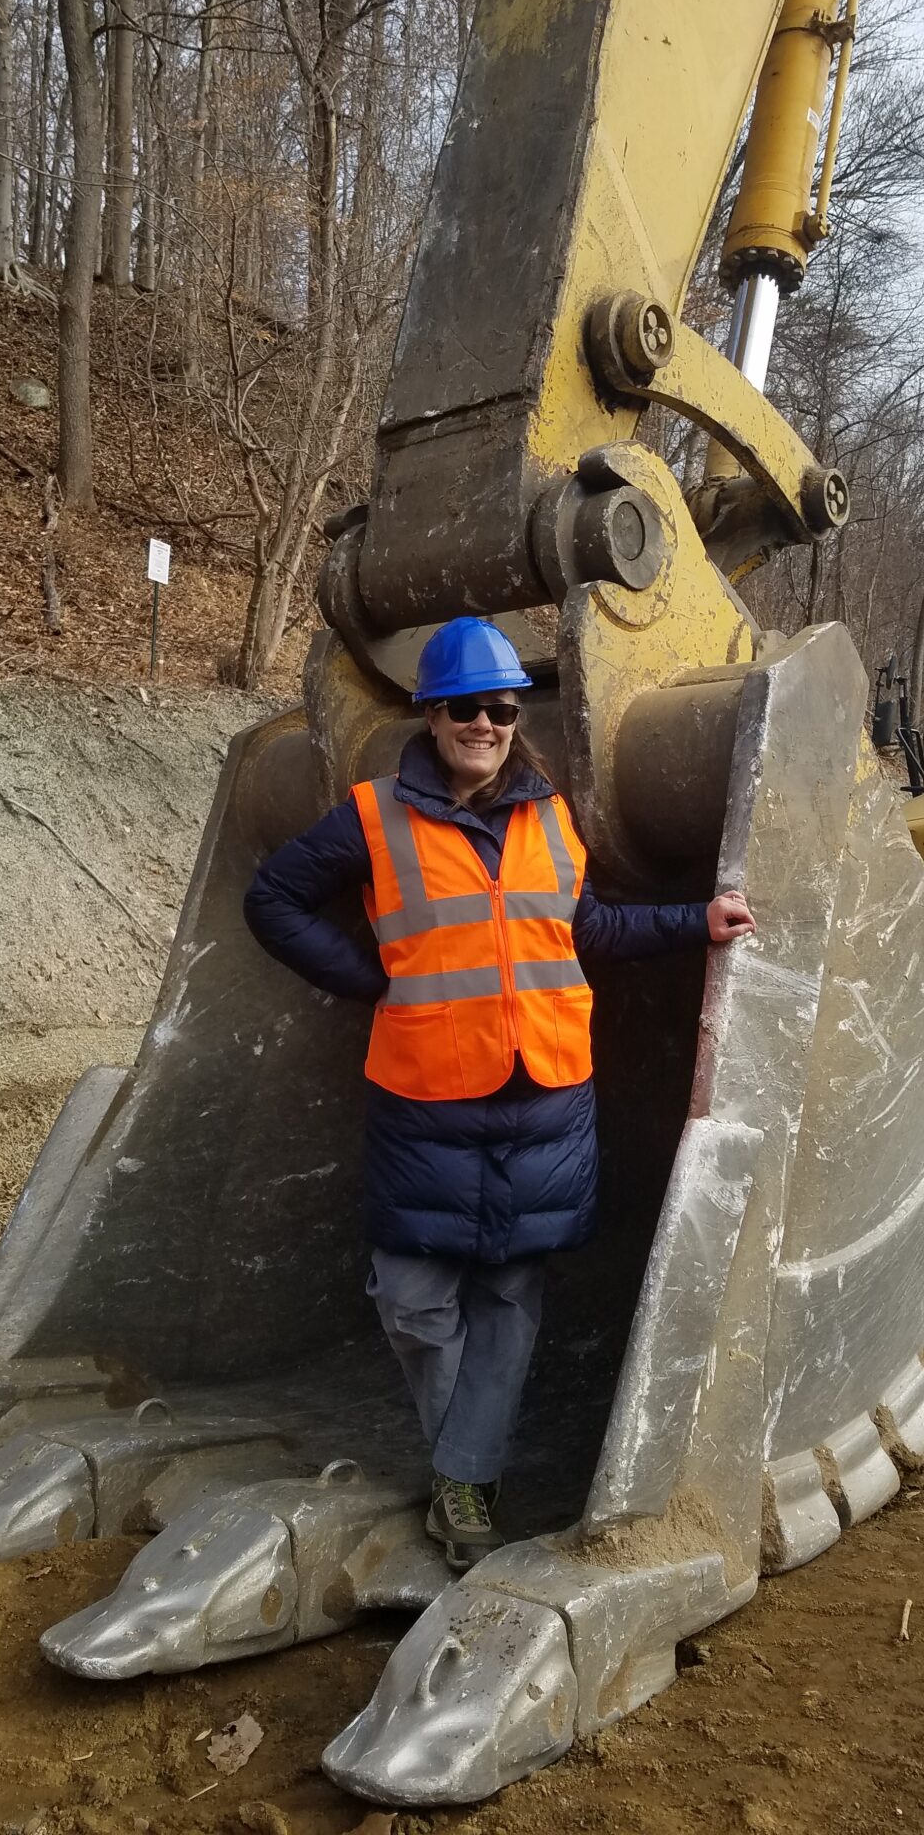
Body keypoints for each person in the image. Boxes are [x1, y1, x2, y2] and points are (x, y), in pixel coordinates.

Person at [243, 617, 755, 1569]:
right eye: (468, 708)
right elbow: (272, 899)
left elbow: (585, 929)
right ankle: (463, 1461)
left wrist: (699, 921)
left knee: (512, 1296)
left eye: (504, 709)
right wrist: (367, 977)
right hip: (426, 1091)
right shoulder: (371, 814)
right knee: (411, 1299)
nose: (487, 723)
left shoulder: (549, 815)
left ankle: (464, 1487)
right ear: (434, 716)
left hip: (546, 1094)